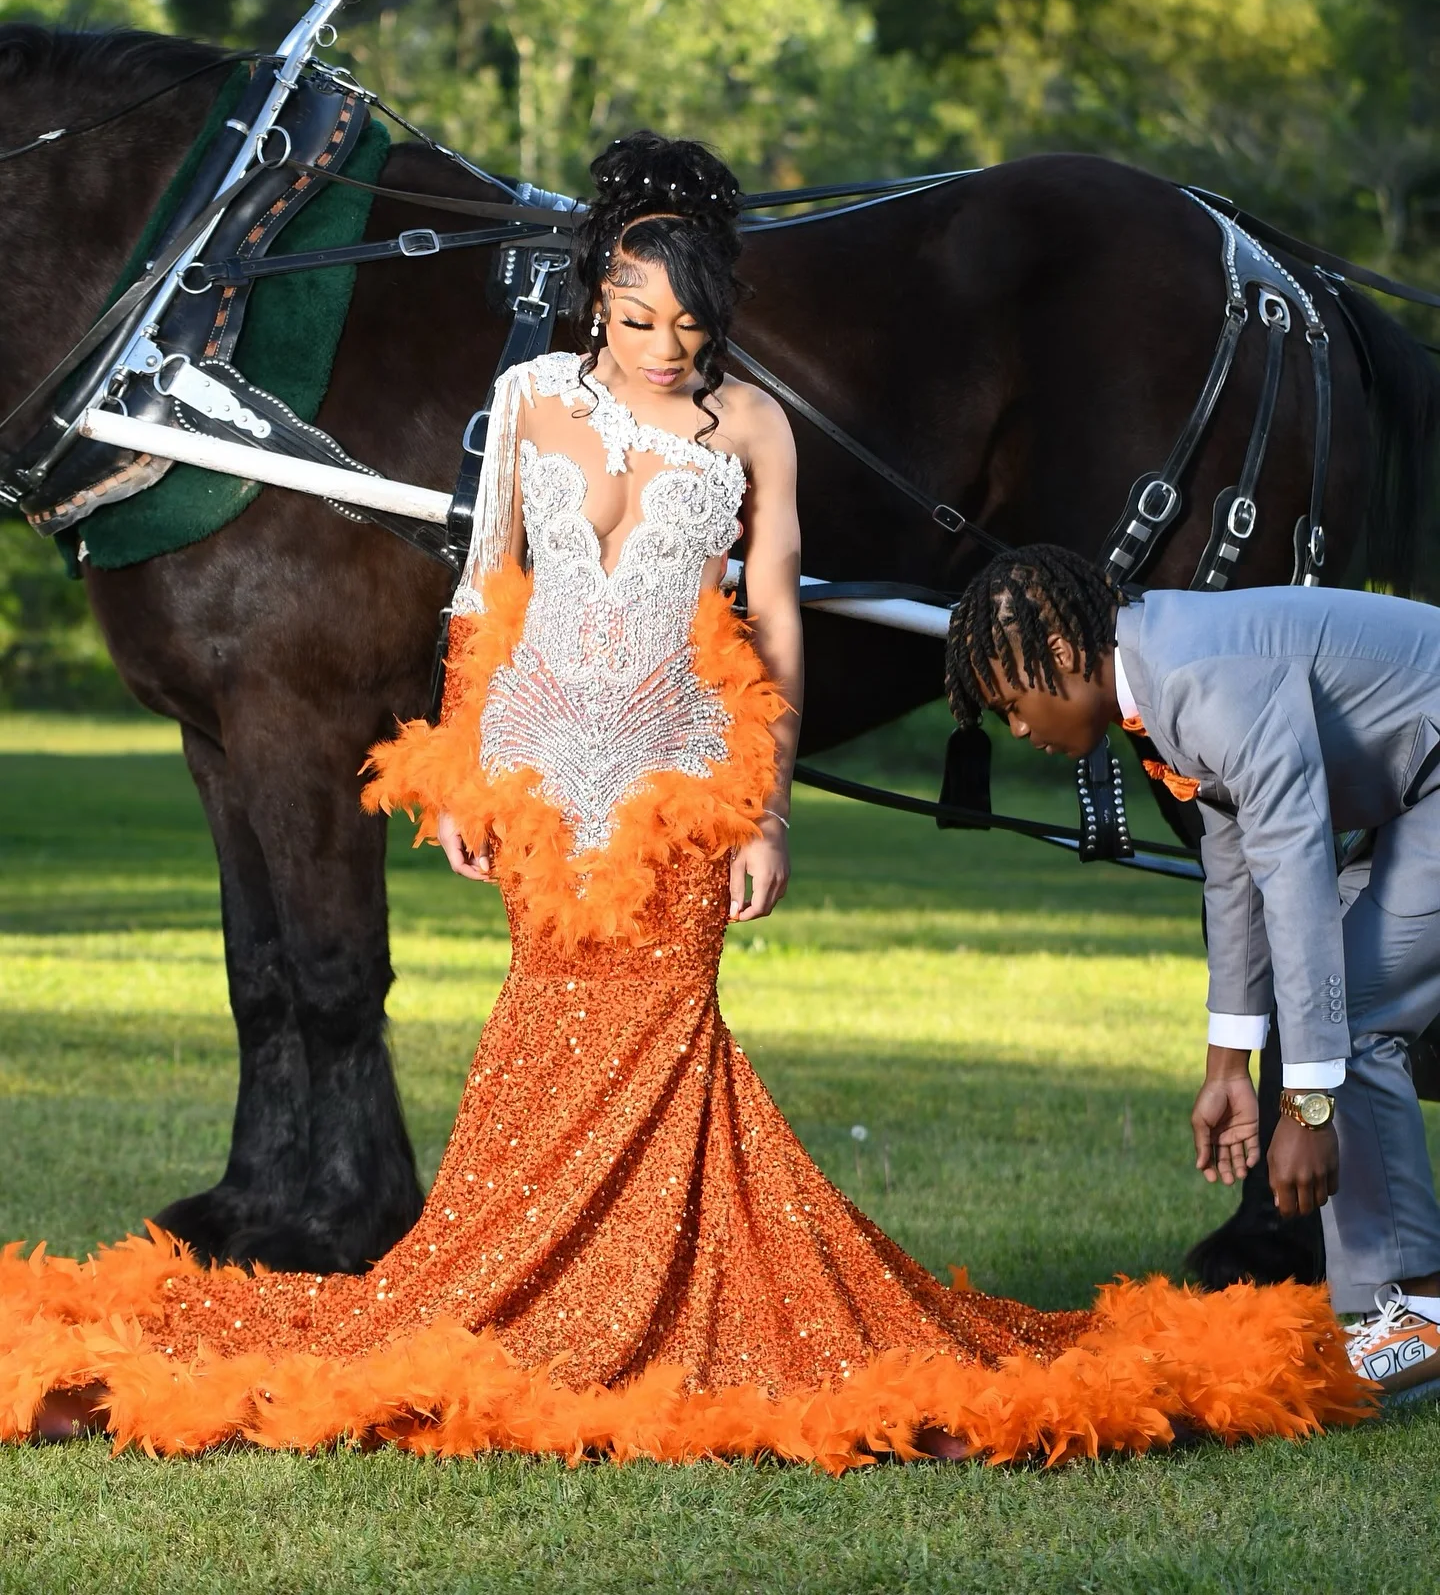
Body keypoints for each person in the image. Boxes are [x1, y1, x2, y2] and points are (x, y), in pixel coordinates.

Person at [0, 146, 1365, 1467]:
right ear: (596, 295)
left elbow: (770, 621)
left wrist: (764, 808)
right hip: (540, 772)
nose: (664, 343)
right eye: (638, 314)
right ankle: (523, 1298)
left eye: (693, 321)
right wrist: (466, 766)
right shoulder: (532, 398)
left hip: (674, 777)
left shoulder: (751, 424)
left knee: (660, 1057)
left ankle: (656, 1309)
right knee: (537, 1060)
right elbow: (484, 592)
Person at [945, 542, 1440, 1398]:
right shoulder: (1155, 675)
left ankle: (1422, 1309)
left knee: (1351, 1012)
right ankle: (1395, 1308)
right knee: (1340, 1011)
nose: (1020, 732)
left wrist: (1307, 1105)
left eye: (1011, 705)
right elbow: (1236, 867)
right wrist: (1227, 1069)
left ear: (1059, 656)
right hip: (1417, 788)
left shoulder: (1201, 678)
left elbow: (1295, 870)